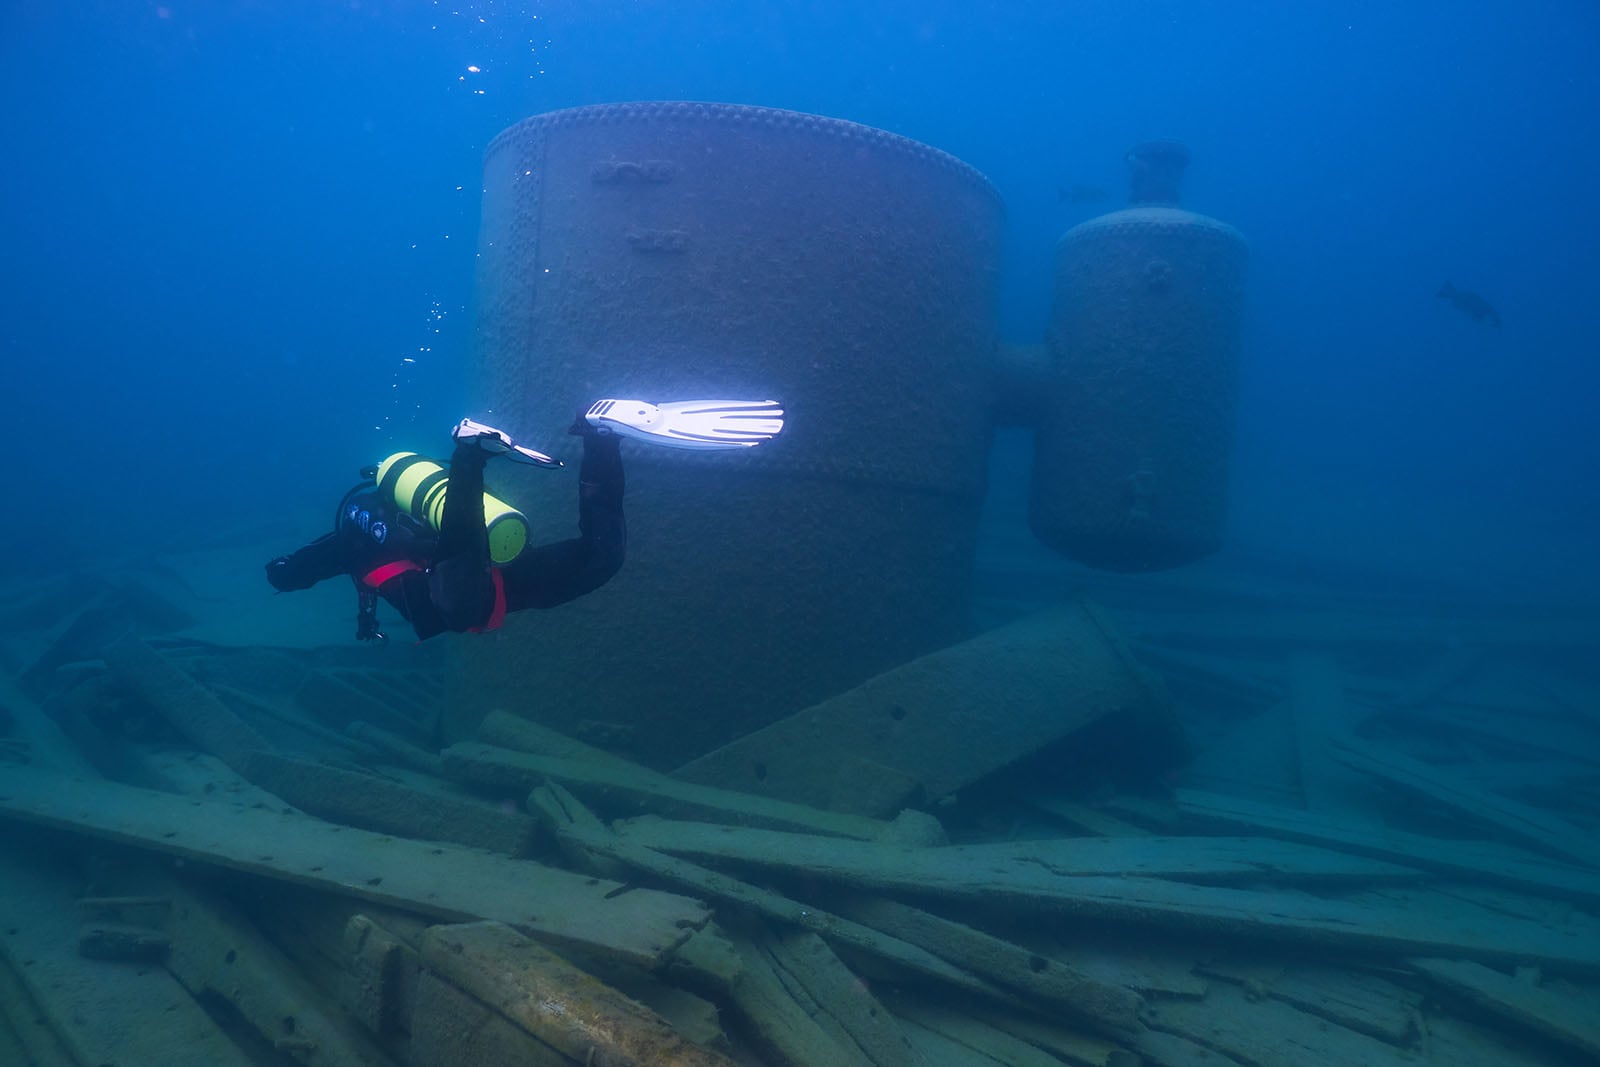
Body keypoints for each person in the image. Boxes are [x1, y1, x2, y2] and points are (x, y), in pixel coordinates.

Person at [265, 398, 783, 642]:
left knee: (455, 604)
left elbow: (303, 567)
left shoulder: (352, 532)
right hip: (503, 578)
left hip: (469, 585)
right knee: (601, 558)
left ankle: (470, 453)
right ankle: (601, 438)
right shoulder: (399, 508)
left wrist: (282, 573)